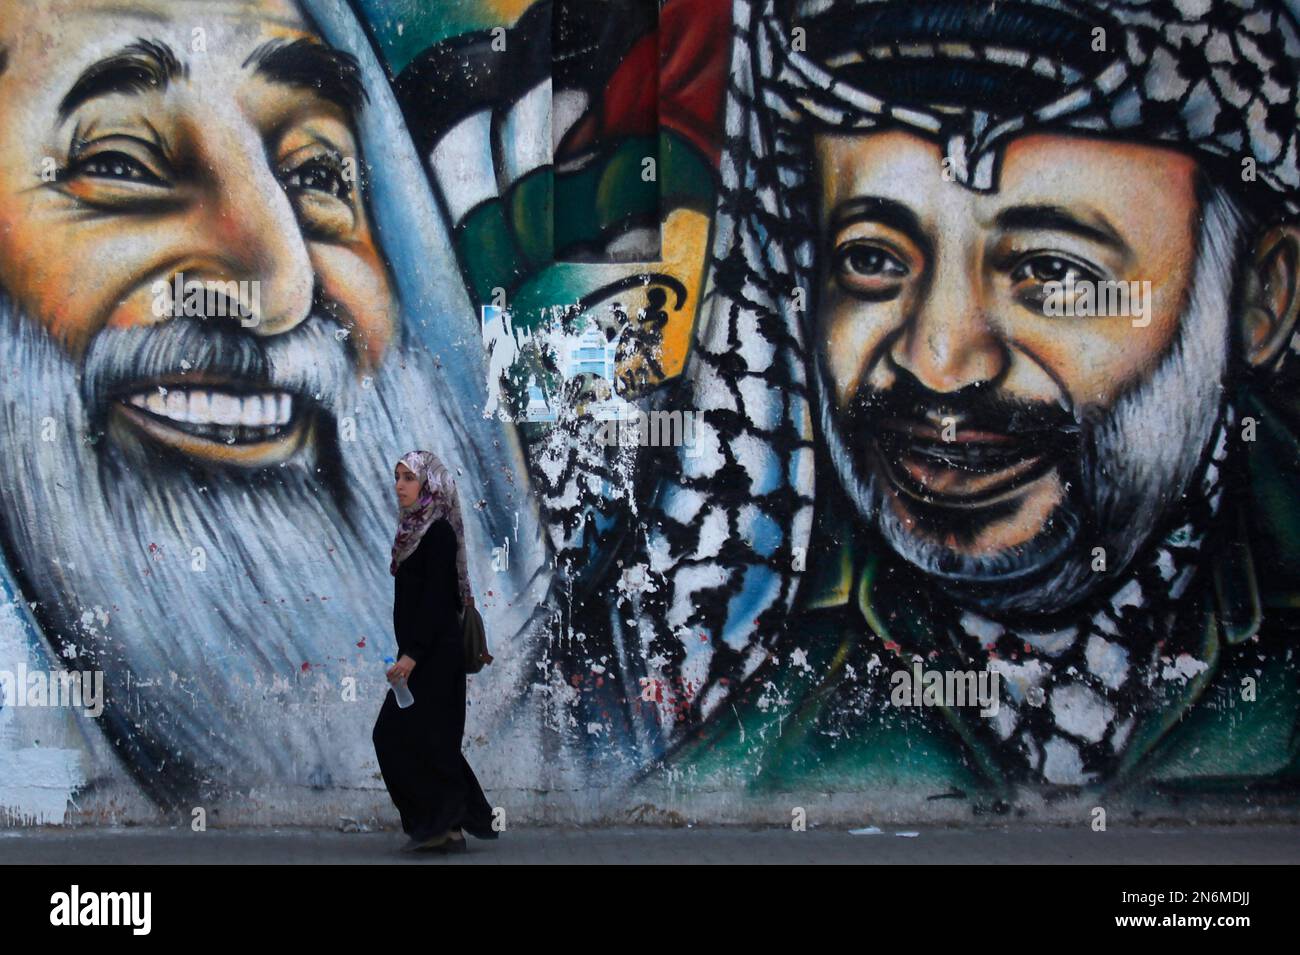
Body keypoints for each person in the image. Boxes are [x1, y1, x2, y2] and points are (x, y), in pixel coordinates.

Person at [373, 450, 497, 852]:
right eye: (398, 477)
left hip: (436, 659)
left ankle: (440, 824)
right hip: (420, 655)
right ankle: (449, 828)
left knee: (398, 737)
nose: (400, 486)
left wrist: (412, 656)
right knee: (426, 742)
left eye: (409, 478)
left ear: (430, 485)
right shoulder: (412, 529)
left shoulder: (438, 533)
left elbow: (437, 603)